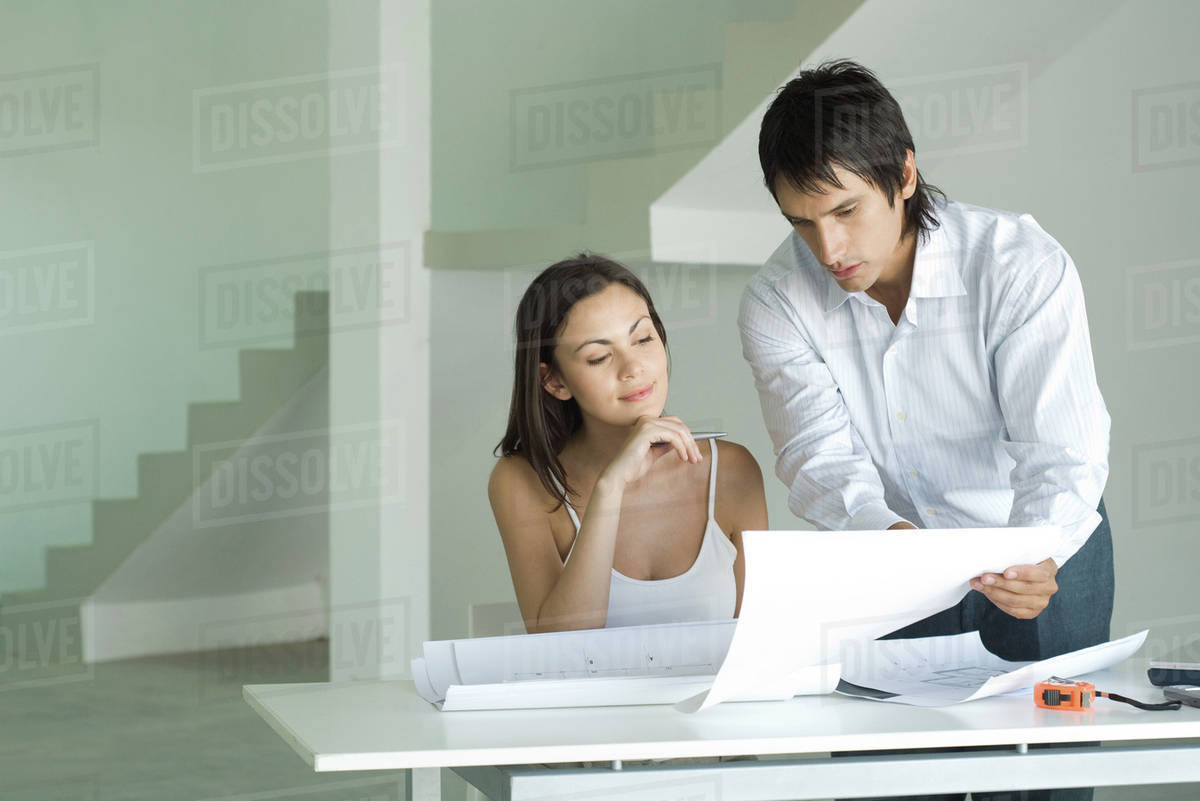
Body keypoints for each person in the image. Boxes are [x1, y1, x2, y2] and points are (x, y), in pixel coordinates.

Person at [739, 60, 1112, 801]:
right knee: (892, 777)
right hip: (887, 555)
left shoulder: (1018, 266)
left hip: (1042, 545)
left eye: (846, 211)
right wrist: (891, 544)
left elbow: (1063, 451)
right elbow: (818, 460)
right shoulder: (776, 302)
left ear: (904, 174)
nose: (827, 248)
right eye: (802, 222)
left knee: (1046, 780)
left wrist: (1038, 552)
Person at [490, 253, 768, 633]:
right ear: (555, 381)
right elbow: (561, 644)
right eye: (599, 357)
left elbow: (761, 636)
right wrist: (610, 487)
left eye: (643, 338)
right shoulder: (522, 481)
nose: (633, 367)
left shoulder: (733, 471)